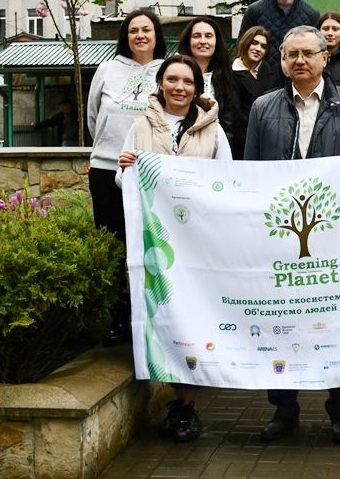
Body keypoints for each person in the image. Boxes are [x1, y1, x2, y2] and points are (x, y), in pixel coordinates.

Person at [244, 25, 340, 442]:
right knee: (282, 323)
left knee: (336, 322)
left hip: (334, 234)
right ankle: (284, 409)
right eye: (291, 54)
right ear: (281, 61)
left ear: (324, 58)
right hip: (281, 235)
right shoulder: (263, 107)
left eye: (307, 53)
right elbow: (250, 172)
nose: (299, 60)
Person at [117, 53, 231, 444]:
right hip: (156, 244)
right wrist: (126, 168)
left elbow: (227, 180)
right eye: (172, 79)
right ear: (161, 83)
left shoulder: (213, 131)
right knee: (162, 316)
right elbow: (123, 182)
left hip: (198, 246)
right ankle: (169, 395)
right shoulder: (139, 126)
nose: (179, 87)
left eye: (187, 81)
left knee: (193, 320)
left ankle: (187, 404)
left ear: (198, 88)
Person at [87, 8, 166, 342]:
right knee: (114, 244)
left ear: (156, 35)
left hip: (151, 171)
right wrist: (110, 147)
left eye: (146, 29)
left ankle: (155, 319)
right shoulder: (107, 69)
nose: (140, 36)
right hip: (107, 167)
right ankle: (119, 319)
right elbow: (93, 116)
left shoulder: (167, 70)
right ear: (125, 36)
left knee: (149, 245)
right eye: (133, 30)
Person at [177, 17, 241, 156]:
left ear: (216, 41)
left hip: (214, 153)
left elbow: (228, 123)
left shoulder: (227, 77)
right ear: (188, 41)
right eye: (196, 36)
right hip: (177, 150)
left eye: (208, 36)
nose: (203, 41)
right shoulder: (174, 73)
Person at [232, 25, 278, 155]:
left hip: (270, 139)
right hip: (243, 141)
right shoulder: (231, 74)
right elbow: (235, 114)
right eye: (254, 43)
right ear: (245, 43)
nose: (258, 49)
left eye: (263, 46)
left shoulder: (269, 72)